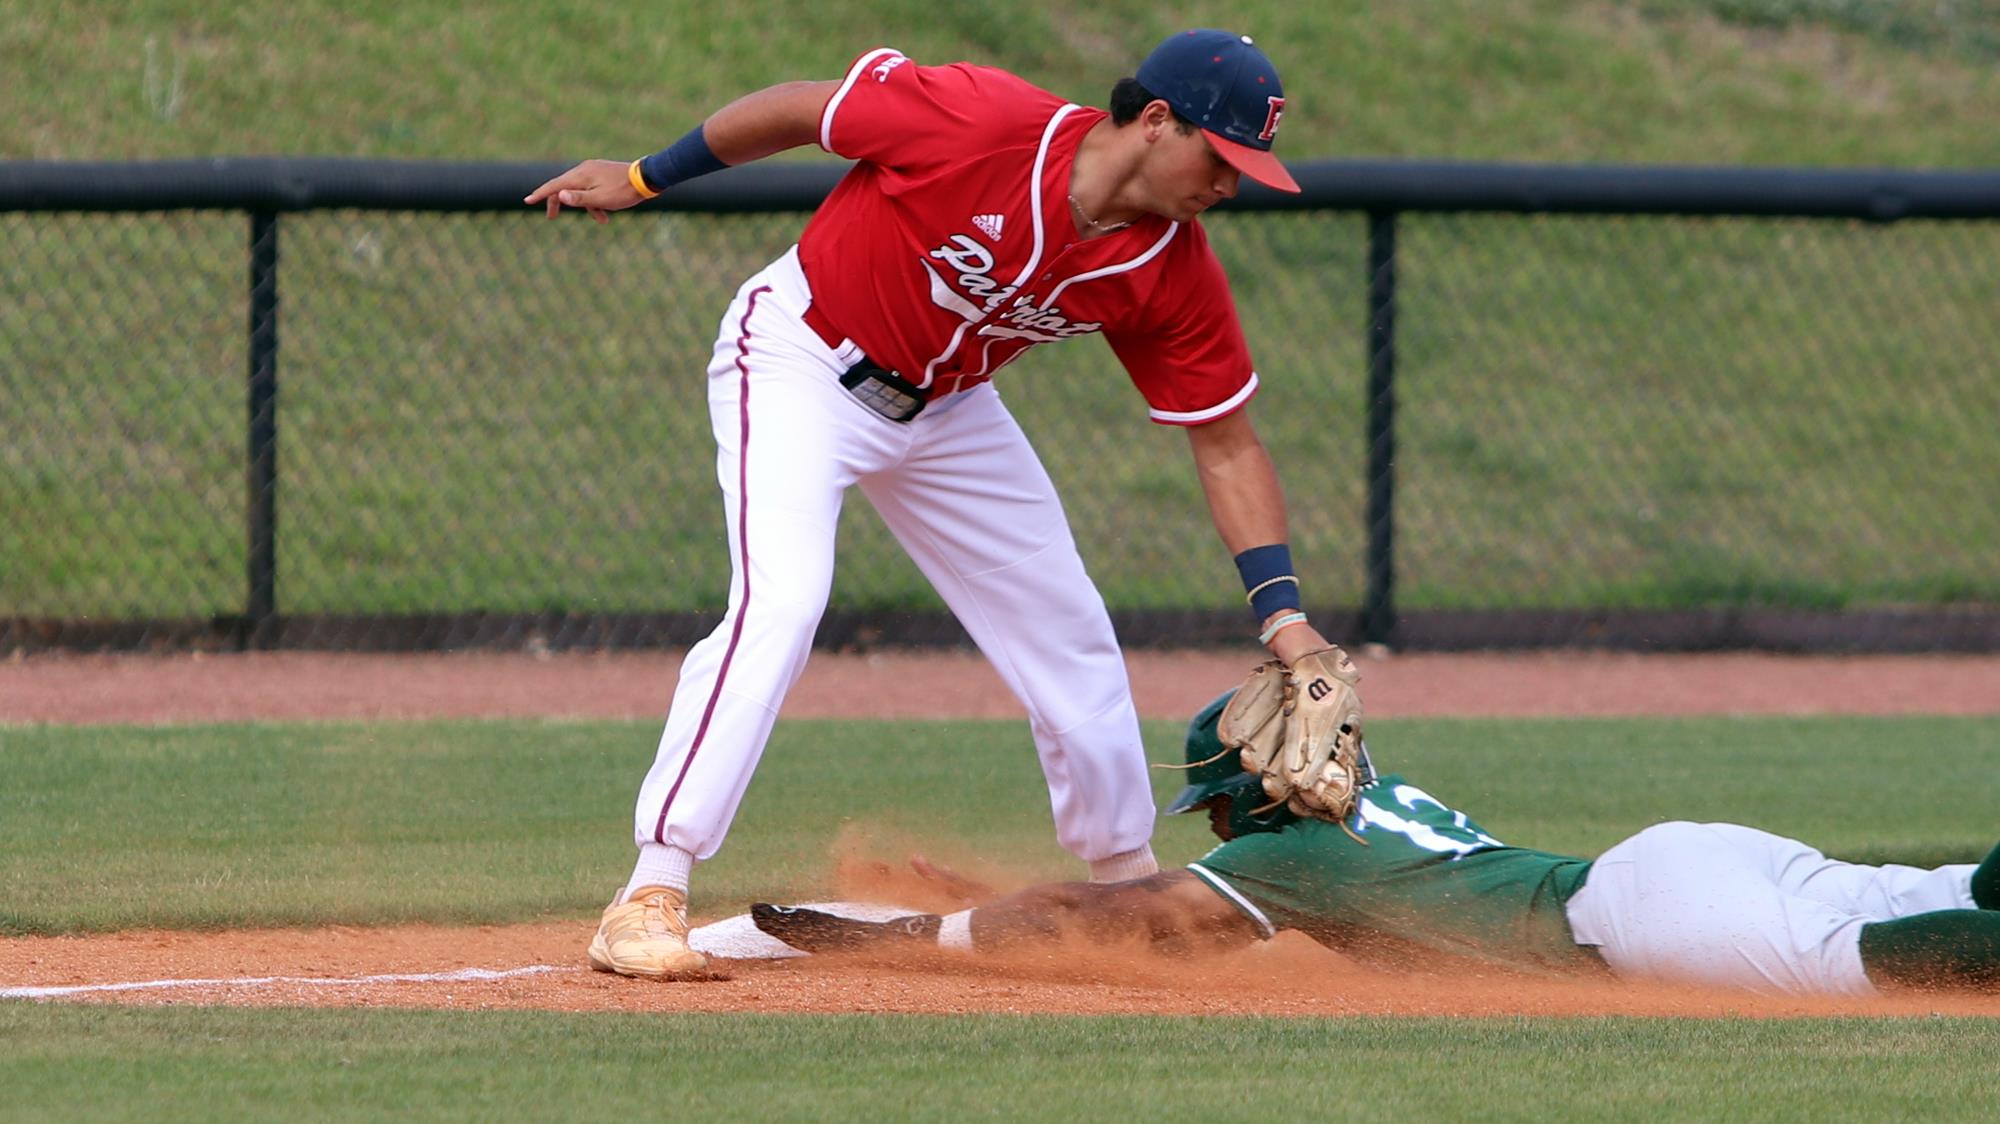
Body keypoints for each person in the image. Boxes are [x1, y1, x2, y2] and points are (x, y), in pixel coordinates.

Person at [526, 31, 1338, 979]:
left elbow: (1227, 444)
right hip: (801, 356)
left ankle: (1126, 896)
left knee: (1069, 634)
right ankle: (650, 891)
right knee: (782, 603)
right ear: (1156, 121)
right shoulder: (982, 120)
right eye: (1222, 157)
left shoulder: (1171, 267)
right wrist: (643, 177)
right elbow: (802, 107)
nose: (1231, 185)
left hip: (949, 409)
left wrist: (1286, 620)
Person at [752, 693, 2000, 997]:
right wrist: (1011, 891)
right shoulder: (1365, 812)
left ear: (1248, 800)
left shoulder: (1281, 858)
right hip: (1692, 860)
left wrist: (920, 931)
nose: (1218, 830)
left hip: (1646, 918)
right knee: (1935, 886)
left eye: (1217, 809)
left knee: (1865, 963)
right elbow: (1142, 916)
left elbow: (1107, 921)